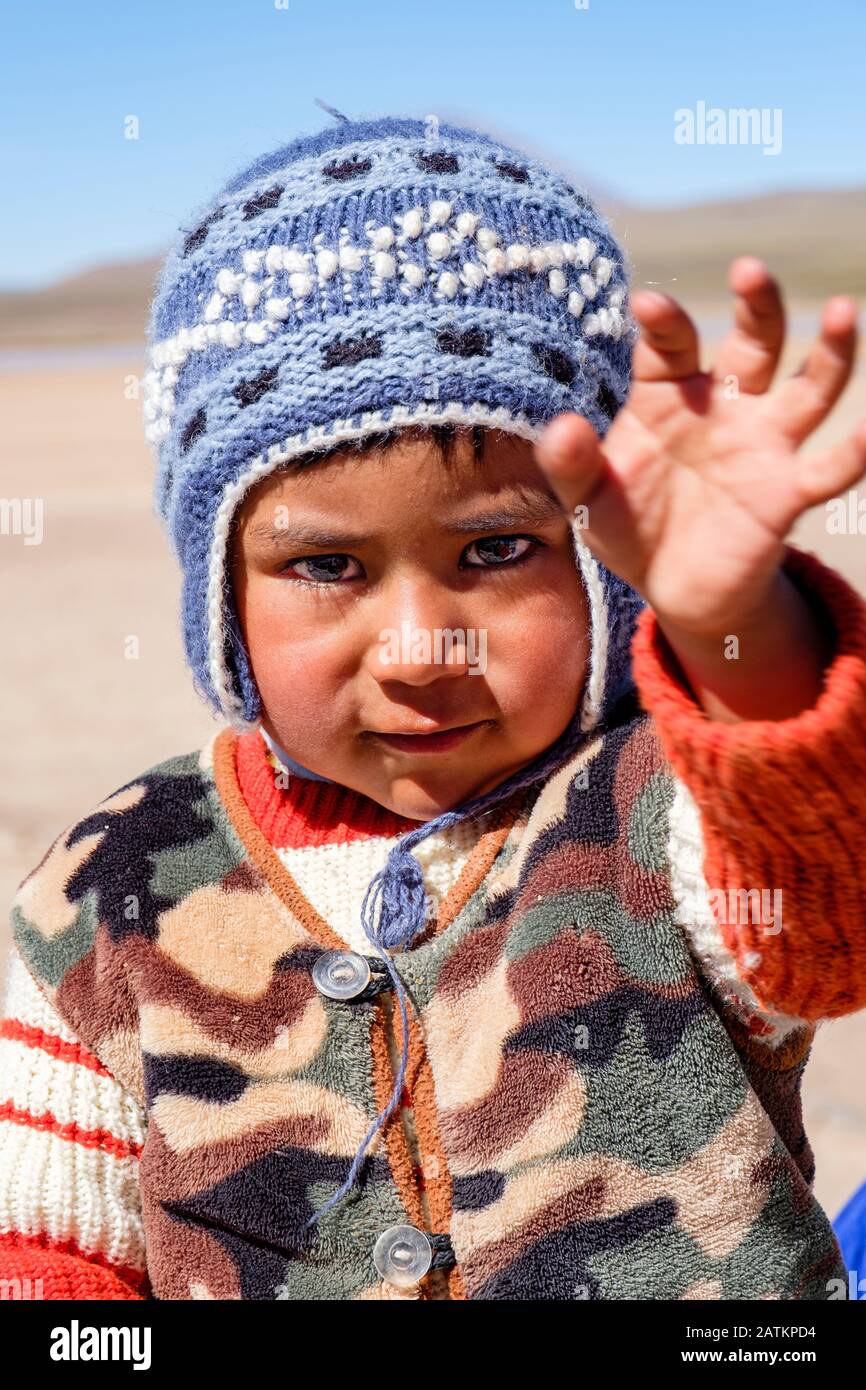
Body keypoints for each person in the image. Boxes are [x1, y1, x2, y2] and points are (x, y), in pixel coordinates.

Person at [2, 110, 866, 1301]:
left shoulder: (670, 803)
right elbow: (49, 1260)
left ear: (597, 560)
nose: (419, 648)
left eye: (497, 548)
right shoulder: (108, 885)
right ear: (219, 590)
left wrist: (741, 625)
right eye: (327, 569)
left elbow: (828, 916)